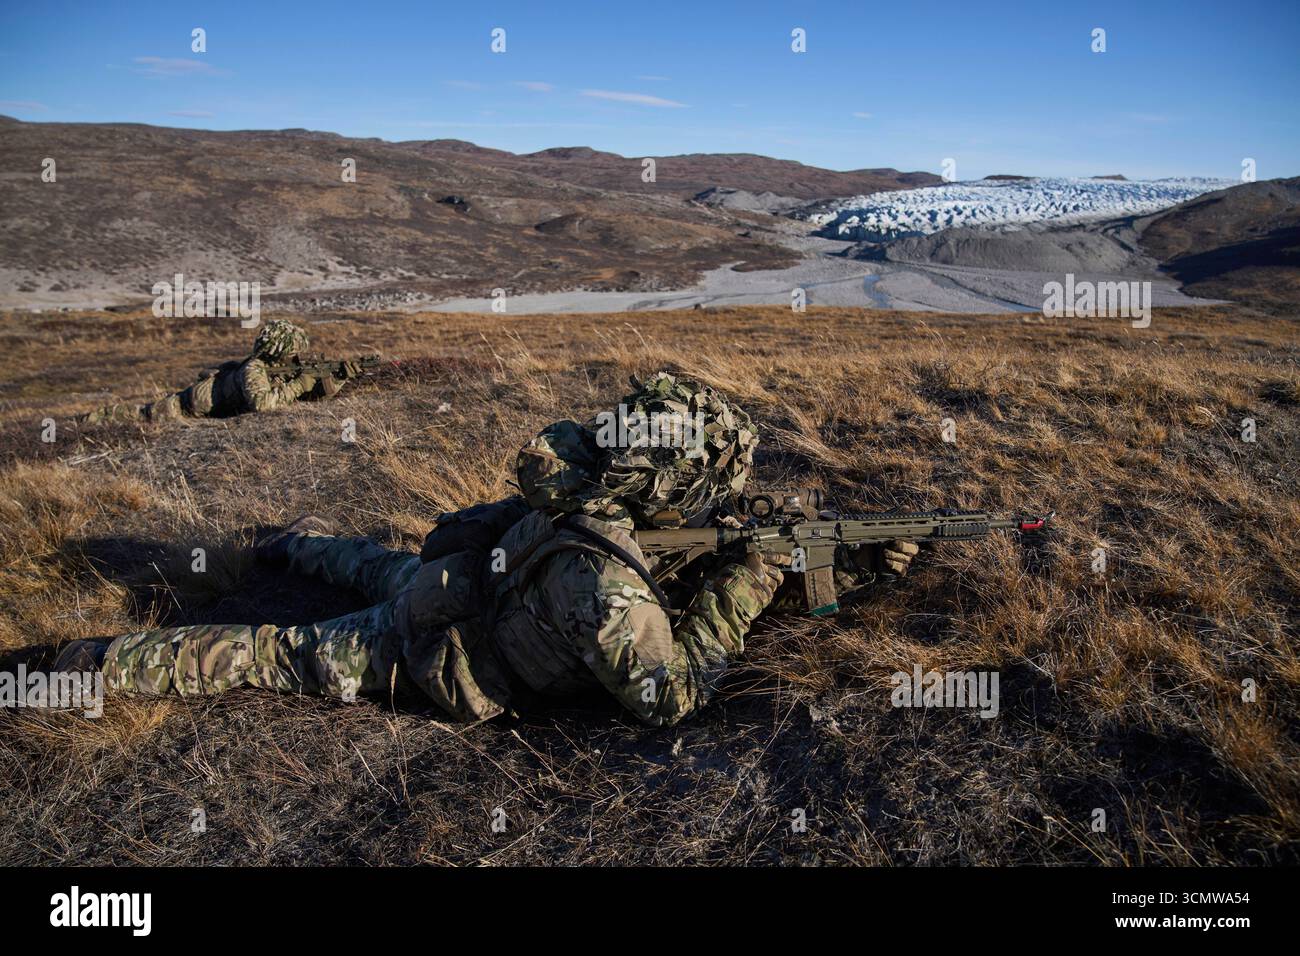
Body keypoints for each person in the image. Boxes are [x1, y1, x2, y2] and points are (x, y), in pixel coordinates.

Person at [55, 373, 917, 726]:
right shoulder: (606, 583)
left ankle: (286, 545)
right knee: (273, 652)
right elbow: (672, 695)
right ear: (676, 481)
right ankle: (76, 666)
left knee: (360, 559)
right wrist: (756, 576)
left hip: (462, 576)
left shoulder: (589, 484)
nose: (730, 490)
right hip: (443, 649)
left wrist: (853, 561)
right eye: (718, 476)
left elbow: (686, 557)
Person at [82, 319, 358, 423]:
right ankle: (91, 419)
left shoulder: (276, 368)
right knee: (141, 415)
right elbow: (263, 406)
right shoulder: (255, 369)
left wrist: (337, 379)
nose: (298, 356)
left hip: (210, 410)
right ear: (279, 350)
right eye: (293, 351)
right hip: (185, 407)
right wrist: (300, 383)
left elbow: (303, 397)